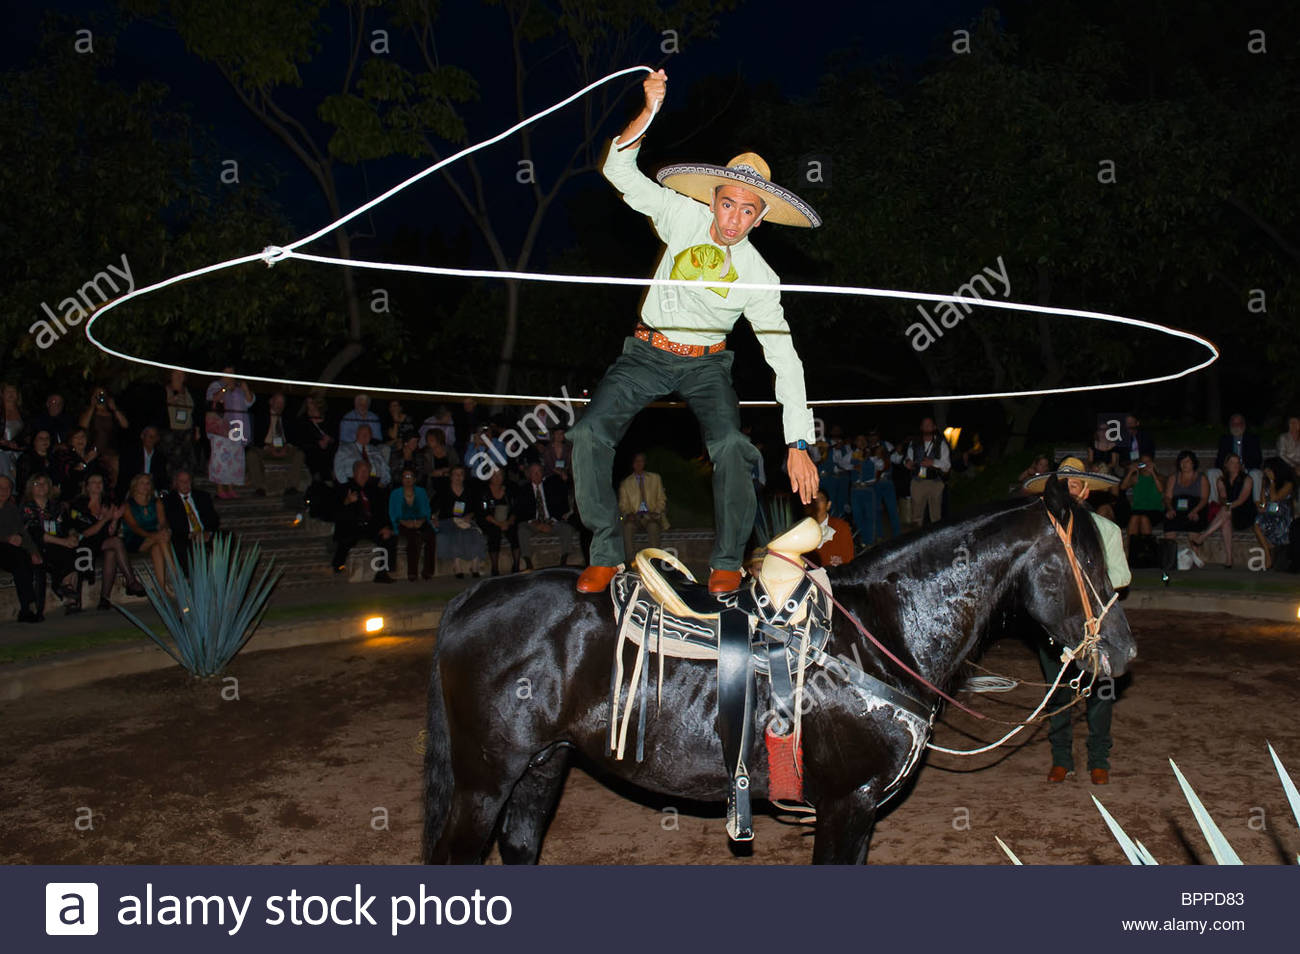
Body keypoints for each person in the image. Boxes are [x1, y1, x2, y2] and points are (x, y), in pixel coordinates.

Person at [570, 69, 821, 595]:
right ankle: (604, 554)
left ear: (759, 220)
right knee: (589, 433)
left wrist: (799, 440)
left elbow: (786, 359)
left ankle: (727, 562)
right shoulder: (679, 215)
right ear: (714, 199)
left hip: (708, 365)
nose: (732, 219)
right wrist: (649, 110)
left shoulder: (759, 276)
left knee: (732, 445)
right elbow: (619, 171)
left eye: (747, 211)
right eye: (727, 203)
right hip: (646, 352)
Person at [1023, 458, 1132, 785]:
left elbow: (1122, 577)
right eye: (1062, 485)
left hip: (1093, 625)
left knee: (1100, 693)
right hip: (1055, 627)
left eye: (1073, 485)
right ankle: (1061, 759)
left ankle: (1099, 759)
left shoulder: (1106, 529)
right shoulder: (1043, 533)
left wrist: (1085, 583)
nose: (1067, 491)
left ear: (1084, 491)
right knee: (1057, 693)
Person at [69, 472, 145, 609]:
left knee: (112, 549)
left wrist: (115, 519)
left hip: (102, 542)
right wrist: (105, 518)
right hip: (84, 544)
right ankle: (131, 582)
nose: (98, 485)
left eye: (100, 482)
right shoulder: (79, 504)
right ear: (87, 486)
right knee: (114, 545)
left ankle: (105, 598)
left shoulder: (107, 503)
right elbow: (85, 533)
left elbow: (110, 532)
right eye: (94, 482)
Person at [22, 473, 83, 613]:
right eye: (37, 484)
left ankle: (69, 593)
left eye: (45, 483)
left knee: (73, 552)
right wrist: (64, 541)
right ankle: (63, 589)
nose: (42, 486)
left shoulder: (57, 506)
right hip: (38, 545)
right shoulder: (27, 507)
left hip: (60, 542)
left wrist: (73, 536)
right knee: (61, 552)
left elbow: (69, 524)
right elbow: (35, 533)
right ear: (31, 488)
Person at [331, 459, 396, 583]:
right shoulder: (345, 488)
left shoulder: (373, 490)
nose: (364, 474)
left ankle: (382, 572)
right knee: (346, 539)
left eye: (367, 471)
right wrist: (347, 502)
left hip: (369, 526)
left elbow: (381, 512)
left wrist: (385, 526)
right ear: (354, 472)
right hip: (352, 525)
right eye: (362, 471)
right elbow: (336, 513)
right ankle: (338, 566)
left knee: (388, 536)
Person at [1189, 453, 1252, 568]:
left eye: (1237, 462)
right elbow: (1222, 497)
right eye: (1232, 462)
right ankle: (1229, 558)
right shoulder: (1221, 480)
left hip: (1244, 513)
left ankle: (1202, 537)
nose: (1235, 465)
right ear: (1226, 465)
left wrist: (1229, 506)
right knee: (1226, 520)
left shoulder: (1247, 479)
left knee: (1226, 512)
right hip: (1228, 512)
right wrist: (1226, 504)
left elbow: (1242, 499)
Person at [515, 462, 577, 570]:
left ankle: (564, 559)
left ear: (543, 473)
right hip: (533, 523)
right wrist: (535, 523)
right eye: (534, 472)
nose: (537, 475)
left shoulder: (551, 486)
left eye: (539, 472)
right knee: (522, 530)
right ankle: (528, 561)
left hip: (551, 521)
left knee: (567, 529)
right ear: (529, 475)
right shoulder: (523, 490)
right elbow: (520, 511)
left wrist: (551, 522)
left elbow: (562, 507)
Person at [0, 473, 44, 621]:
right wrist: (7, 538)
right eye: (0, 488)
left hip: (11, 551)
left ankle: (28, 608)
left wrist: (34, 552)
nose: (4, 491)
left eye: (7, 488)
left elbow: (22, 532)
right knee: (19, 556)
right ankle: (29, 604)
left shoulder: (11, 508)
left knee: (27, 560)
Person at [247, 392, 308, 495]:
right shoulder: (261, 416)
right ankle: (260, 487)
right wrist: (268, 447)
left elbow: (295, 438)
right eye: (277, 402)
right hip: (266, 448)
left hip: (284, 448)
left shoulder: (288, 417)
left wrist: (286, 446)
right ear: (271, 402)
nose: (280, 405)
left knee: (300, 454)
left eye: (282, 403)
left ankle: (291, 487)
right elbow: (256, 437)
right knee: (251, 454)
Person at [205, 370, 254, 499]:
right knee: (220, 458)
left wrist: (245, 389)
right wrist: (226, 388)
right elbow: (213, 398)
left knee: (234, 458)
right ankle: (220, 488)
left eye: (232, 372)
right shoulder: (215, 385)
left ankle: (231, 487)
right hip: (221, 427)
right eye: (227, 372)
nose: (230, 375)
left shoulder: (238, 388)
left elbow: (249, 402)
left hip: (237, 427)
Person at [161, 469, 220, 574]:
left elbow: (214, 519)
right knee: (180, 545)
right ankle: (189, 578)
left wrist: (208, 533)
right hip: (185, 536)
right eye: (181, 481)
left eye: (188, 481)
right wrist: (191, 535)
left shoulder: (202, 496)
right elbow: (173, 523)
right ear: (175, 483)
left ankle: (221, 572)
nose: (185, 484)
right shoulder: (169, 500)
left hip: (204, 533)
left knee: (227, 537)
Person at [121, 472, 174, 587]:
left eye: (148, 483)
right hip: (136, 538)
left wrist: (164, 530)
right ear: (135, 485)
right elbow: (135, 528)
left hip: (156, 537)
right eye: (142, 483)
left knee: (157, 547)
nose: (146, 486)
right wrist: (153, 536)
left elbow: (163, 522)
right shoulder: (127, 505)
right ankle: (176, 576)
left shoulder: (156, 502)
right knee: (161, 539)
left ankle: (162, 589)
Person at [435, 465, 487, 578]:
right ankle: (456, 565)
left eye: (461, 474)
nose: (458, 477)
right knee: (456, 533)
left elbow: (478, 508)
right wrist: (434, 519)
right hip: (448, 521)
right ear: (451, 477)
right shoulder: (443, 491)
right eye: (456, 474)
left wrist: (470, 515)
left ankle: (475, 564)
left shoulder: (470, 491)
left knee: (475, 534)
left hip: (465, 522)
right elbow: (434, 507)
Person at [617, 452, 668, 563]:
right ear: (632, 464)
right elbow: (623, 504)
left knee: (653, 527)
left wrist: (657, 512)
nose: (639, 464)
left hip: (651, 515)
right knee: (627, 527)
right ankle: (630, 561)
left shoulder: (655, 478)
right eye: (636, 461)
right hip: (635, 516)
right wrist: (628, 513)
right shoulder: (626, 483)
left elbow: (661, 498)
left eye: (641, 461)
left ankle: (655, 560)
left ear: (645, 463)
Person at [388, 466, 436, 581]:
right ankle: (412, 572)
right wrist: (404, 522)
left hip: (420, 520)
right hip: (402, 522)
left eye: (410, 476)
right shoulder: (395, 493)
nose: (408, 479)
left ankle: (428, 570)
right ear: (401, 479)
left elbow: (427, 510)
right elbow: (392, 513)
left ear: (415, 479)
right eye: (405, 476)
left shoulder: (421, 491)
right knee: (414, 537)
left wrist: (422, 521)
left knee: (431, 535)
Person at [1207, 413, 1264, 504]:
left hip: (1246, 470)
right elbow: (1219, 460)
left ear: (1244, 425)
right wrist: (1228, 468)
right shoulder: (1224, 440)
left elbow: (1258, 460)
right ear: (1230, 426)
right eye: (1233, 424)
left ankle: (1257, 504)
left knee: (1256, 474)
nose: (1236, 426)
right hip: (1228, 470)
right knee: (1212, 472)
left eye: (1239, 423)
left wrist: (1242, 467)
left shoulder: (1253, 439)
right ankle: (1213, 504)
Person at [903, 417, 950, 525]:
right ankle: (917, 539)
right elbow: (907, 459)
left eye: (929, 424)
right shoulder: (913, 443)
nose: (927, 427)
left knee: (936, 517)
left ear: (934, 427)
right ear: (921, 427)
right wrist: (907, 463)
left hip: (935, 482)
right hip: (918, 482)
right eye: (924, 425)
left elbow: (947, 466)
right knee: (916, 516)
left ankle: (936, 540)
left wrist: (933, 462)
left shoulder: (941, 444)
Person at [1252, 457, 1295, 570]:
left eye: (1268, 470)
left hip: (1282, 516)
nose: (1266, 473)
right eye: (1265, 471)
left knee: (1262, 522)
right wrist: (1260, 505)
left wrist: (1272, 482)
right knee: (1257, 522)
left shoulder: (1288, 484)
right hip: (1270, 513)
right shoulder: (1266, 482)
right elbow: (1264, 502)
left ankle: (1271, 553)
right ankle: (1268, 555)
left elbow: (1275, 497)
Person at [1162, 450, 1210, 548]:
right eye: (1182, 461)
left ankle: (1195, 558)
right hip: (1176, 509)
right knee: (1169, 523)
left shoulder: (1202, 478)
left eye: (1187, 461)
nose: (1184, 464)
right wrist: (1170, 509)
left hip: (1196, 509)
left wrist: (1195, 511)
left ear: (1193, 463)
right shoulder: (1173, 477)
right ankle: (1169, 559)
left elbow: (1204, 499)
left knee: (1193, 524)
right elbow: (1167, 497)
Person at [477, 468, 519, 575]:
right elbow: (484, 513)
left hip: (507, 520)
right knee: (494, 533)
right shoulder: (484, 491)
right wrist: (499, 523)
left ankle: (516, 566)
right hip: (491, 521)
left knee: (514, 532)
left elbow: (514, 509)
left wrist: (508, 522)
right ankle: (495, 568)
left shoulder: (509, 490)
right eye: (494, 475)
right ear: (489, 477)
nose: (497, 478)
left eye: (500, 475)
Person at [161, 370, 200, 477]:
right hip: (171, 431)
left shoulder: (189, 391)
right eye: (176, 373)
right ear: (170, 375)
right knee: (173, 460)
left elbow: (195, 411)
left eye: (182, 374)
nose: (179, 376)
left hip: (187, 431)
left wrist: (197, 430)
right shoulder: (165, 390)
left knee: (188, 461)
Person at [118, 425, 169, 501]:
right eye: (149, 436)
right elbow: (124, 477)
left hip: (152, 492)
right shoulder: (131, 454)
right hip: (134, 490)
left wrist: (163, 492)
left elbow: (163, 479)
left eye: (154, 437)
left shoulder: (160, 458)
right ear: (142, 436)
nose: (152, 439)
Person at [1119, 454, 1164, 539]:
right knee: (1134, 518)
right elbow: (1122, 487)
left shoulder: (1159, 477)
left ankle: (1147, 545)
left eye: (1148, 462)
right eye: (1143, 463)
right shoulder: (1136, 477)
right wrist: (1131, 471)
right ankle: (1131, 546)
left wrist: (1153, 473)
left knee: (1144, 518)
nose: (1145, 465)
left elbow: (1161, 490)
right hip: (1138, 509)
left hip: (1154, 510)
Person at [296, 391, 337, 484]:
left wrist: (329, 439)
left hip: (329, 448)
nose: (309, 405)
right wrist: (317, 443)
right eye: (307, 403)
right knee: (315, 453)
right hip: (312, 449)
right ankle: (319, 479)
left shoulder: (328, 418)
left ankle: (331, 479)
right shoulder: (303, 420)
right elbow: (301, 440)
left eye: (311, 403)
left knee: (333, 451)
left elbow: (335, 436)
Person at [809, 488, 853, 568]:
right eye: (814, 500)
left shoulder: (841, 526)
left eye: (821, 499)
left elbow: (848, 559)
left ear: (828, 505)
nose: (816, 503)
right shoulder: (804, 528)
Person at [0, 382, 25, 481]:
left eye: (13, 391)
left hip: (17, 451)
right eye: (7, 391)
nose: (11, 393)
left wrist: (17, 443)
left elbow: (27, 433)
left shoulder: (24, 412)